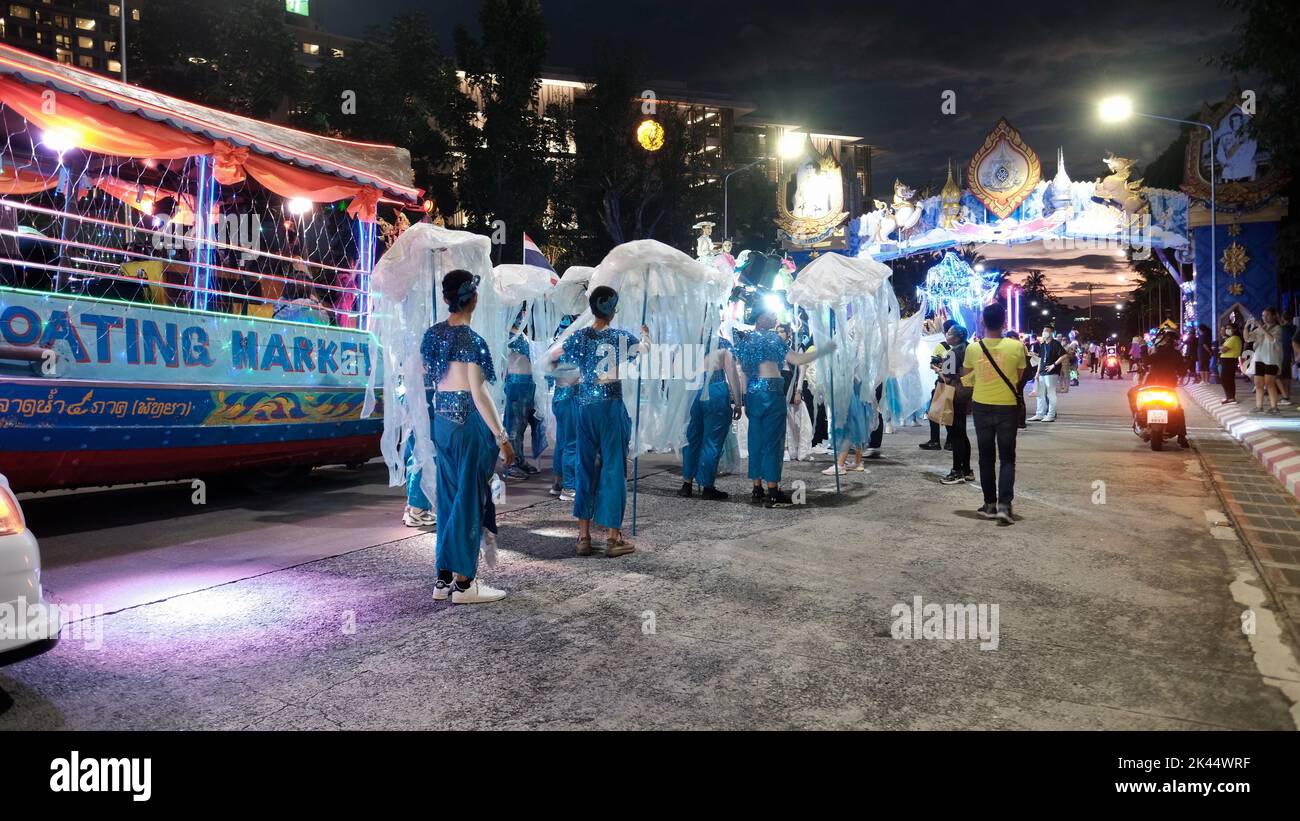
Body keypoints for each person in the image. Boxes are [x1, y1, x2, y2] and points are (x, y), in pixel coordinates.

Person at [424, 270, 514, 605]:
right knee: (469, 500)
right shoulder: (472, 341)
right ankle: (464, 583)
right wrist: (502, 437)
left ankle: (443, 577)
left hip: (442, 423)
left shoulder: (432, 336)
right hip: (468, 423)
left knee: (449, 500)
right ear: (472, 298)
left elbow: (423, 374)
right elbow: (479, 393)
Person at [549, 286, 649, 557]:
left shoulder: (578, 337)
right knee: (614, 467)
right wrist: (645, 335)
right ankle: (613, 538)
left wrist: (574, 379)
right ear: (613, 311)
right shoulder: (620, 337)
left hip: (584, 405)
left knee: (585, 467)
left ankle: (583, 536)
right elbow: (645, 351)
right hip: (610, 406)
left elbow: (552, 358)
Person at [735, 312, 835, 507]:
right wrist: (823, 351)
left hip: (754, 393)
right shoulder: (774, 339)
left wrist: (745, 399)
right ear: (767, 321)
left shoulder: (746, 341)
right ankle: (772, 491)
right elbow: (797, 359)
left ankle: (757, 488)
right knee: (773, 441)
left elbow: (745, 373)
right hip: (772, 393)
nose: (775, 318)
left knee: (756, 440)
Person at [962, 303, 1026, 524]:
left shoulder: (973, 349)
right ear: (1004, 322)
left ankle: (989, 503)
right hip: (1007, 407)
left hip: (981, 405)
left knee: (986, 457)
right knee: (1007, 458)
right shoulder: (1016, 347)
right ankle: (1005, 506)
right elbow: (1018, 377)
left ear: (982, 322)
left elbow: (967, 377)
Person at [679, 330, 743, 500]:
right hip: (715, 390)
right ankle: (707, 486)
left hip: (692, 392)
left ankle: (687, 484)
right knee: (712, 441)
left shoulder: (688, 343)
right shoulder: (722, 343)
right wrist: (738, 402)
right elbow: (732, 373)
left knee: (691, 439)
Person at [1128, 330, 1189, 447]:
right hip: (1168, 387)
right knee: (1179, 410)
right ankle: (1182, 437)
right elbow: (1182, 372)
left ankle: (1138, 419)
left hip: (1152, 385)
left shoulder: (1159, 351)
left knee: (1132, 393)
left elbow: (1146, 361)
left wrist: (1143, 347)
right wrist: (1185, 365)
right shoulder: (1176, 354)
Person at [503, 324, 541, 478]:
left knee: (522, 425)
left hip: (527, 383)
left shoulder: (521, 334)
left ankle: (519, 460)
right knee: (514, 425)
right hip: (516, 383)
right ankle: (510, 465)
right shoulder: (510, 334)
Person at [548, 320, 580, 502]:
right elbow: (576, 374)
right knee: (571, 444)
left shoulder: (558, 340)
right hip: (569, 399)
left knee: (562, 441)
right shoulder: (574, 343)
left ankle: (557, 483)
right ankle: (568, 487)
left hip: (559, 398)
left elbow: (551, 367)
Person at [939, 325, 973, 484]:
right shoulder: (969, 348)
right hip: (967, 394)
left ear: (957, 337)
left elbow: (947, 376)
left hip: (954, 394)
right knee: (962, 433)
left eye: (949, 333)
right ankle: (967, 470)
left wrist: (938, 369)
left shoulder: (953, 352)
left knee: (956, 434)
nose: (947, 335)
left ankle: (956, 471)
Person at [920, 319, 957, 450]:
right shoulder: (965, 347)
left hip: (948, 384)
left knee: (946, 413)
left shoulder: (947, 347)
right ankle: (942, 441)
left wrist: (939, 369)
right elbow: (933, 363)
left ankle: (944, 441)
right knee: (937, 412)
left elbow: (933, 364)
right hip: (948, 384)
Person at [1028, 326, 1068, 423]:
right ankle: (1039, 414)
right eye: (1043, 331)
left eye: (1046, 331)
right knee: (1040, 394)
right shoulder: (1043, 345)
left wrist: (1053, 365)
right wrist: (1037, 373)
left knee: (1051, 393)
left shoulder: (1055, 344)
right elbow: (1040, 359)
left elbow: (1064, 355)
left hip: (1052, 372)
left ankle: (1051, 414)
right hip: (1042, 372)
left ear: (1051, 333)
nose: (1044, 332)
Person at [1248, 309, 1284, 414]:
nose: (1265, 318)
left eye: (1267, 315)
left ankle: (1274, 407)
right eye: (1263, 315)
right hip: (1259, 358)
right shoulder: (1261, 328)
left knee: (1269, 383)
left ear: (1273, 316)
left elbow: (1272, 339)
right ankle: (1259, 407)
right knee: (1258, 384)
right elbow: (1248, 338)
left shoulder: (1278, 328)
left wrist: (1261, 328)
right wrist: (1246, 327)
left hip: (1271, 359)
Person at [1219, 324, 1242, 404]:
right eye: (1226, 328)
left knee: (1225, 379)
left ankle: (1230, 397)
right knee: (1229, 379)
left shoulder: (1234, 338)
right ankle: (1230, 397)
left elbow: (1224, 349)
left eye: (1229, 328)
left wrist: (1221, 348)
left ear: (1235, 329)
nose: (1226, 330)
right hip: (1228, 360)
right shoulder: (1231, 338)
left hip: (1229, 360)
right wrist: (1221, 348)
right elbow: (1222, 348)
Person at [1278, 309, 1294, 406]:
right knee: (1287, 376)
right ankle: (1287, 396)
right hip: (1290, 354)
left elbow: (1285, 342)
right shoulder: (1293, 327)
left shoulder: (1284, 329)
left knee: (1282, 377)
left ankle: (1285, 397)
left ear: (1283, 318)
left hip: (1284, 354)